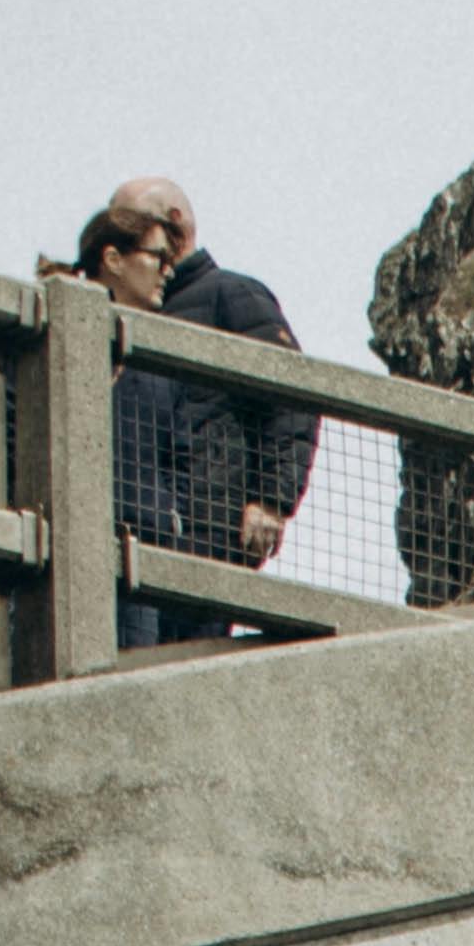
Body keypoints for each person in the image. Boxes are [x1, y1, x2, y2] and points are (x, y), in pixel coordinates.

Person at [69, 180, 319, 644]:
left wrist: (272, 499)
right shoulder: (129, 309)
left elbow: (293, 394)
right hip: (146, 529)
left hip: (211, 536)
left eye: (134, 222)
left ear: (174, 227)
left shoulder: (231, 294)